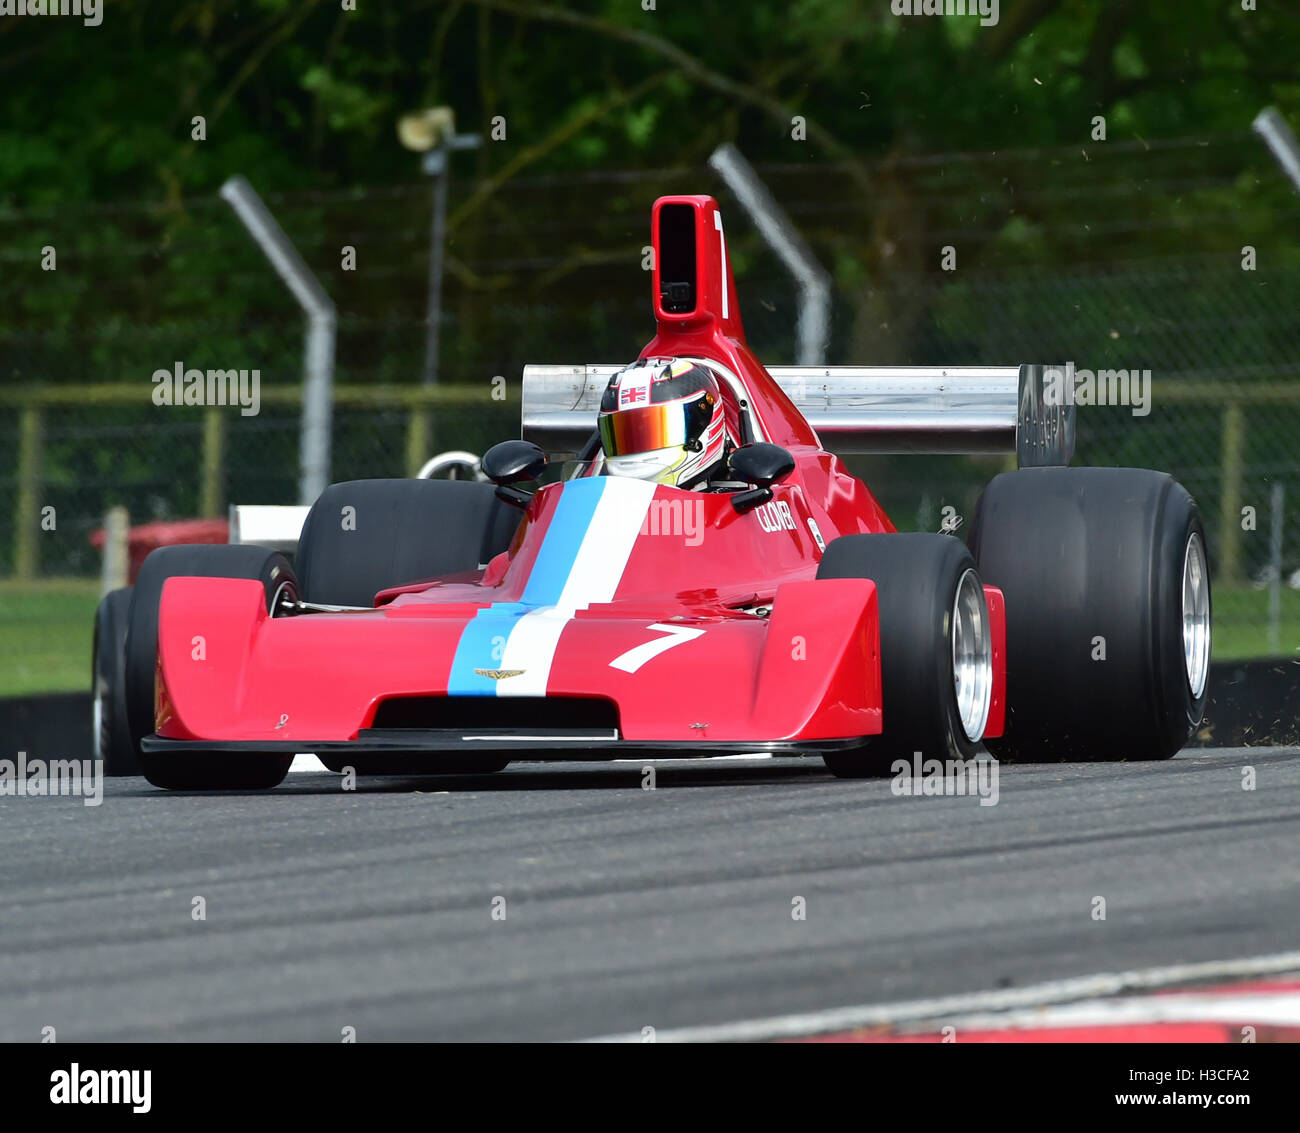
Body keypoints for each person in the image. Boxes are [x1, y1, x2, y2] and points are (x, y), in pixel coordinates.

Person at [596, 357, 734, 488]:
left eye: (656, 429)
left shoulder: (740, 502)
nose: (641, 440)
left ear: (702, 419)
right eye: (626, 434)